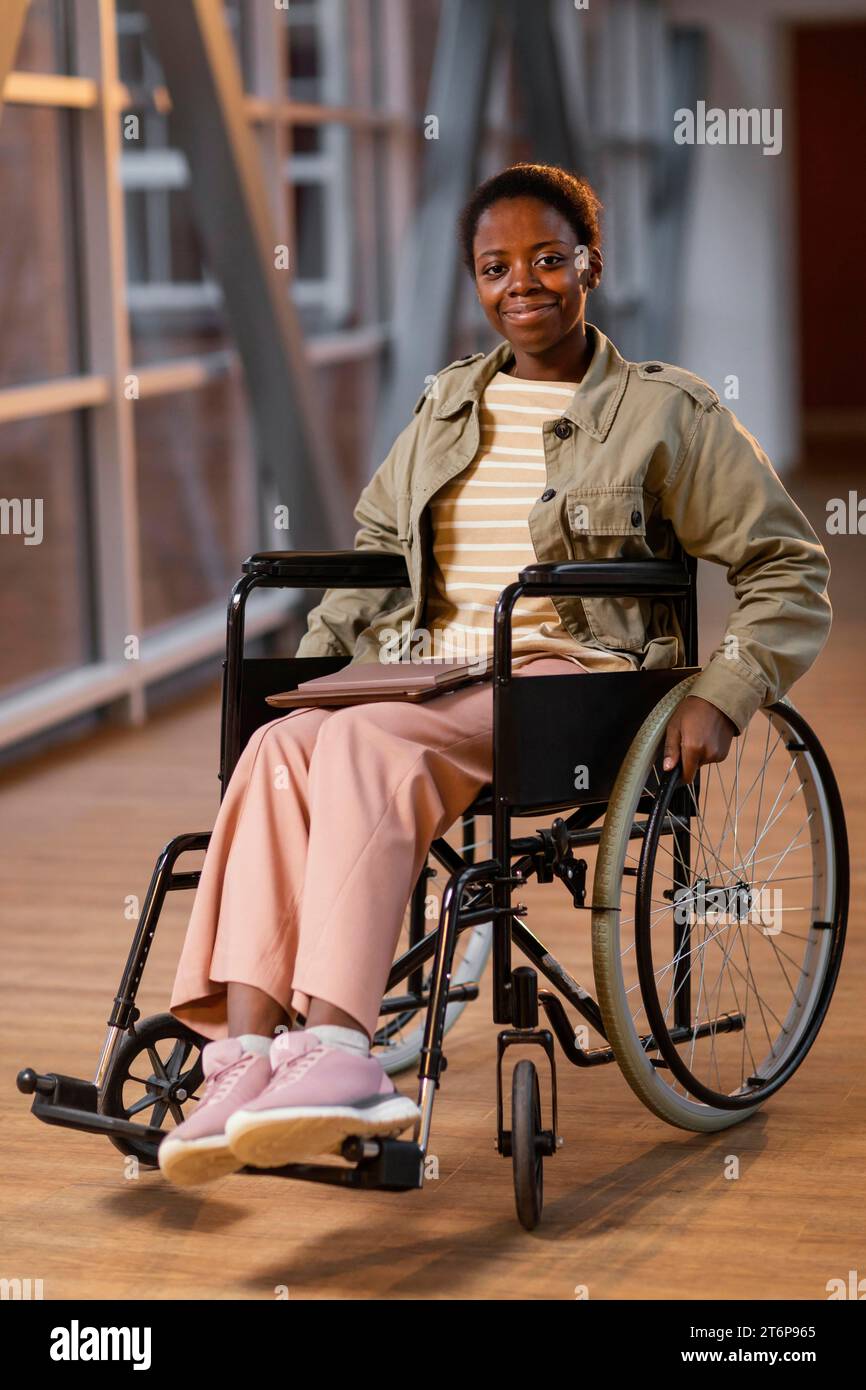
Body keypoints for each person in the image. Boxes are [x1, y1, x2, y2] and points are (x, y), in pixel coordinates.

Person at [159, 163, 831, 1187]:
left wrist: (723, 689)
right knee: (284, 745)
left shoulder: (666, 413)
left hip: (566, 675)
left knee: (357, 743)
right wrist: (317, 672)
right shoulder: (444, 406)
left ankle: (339, 1048)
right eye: (495, 266)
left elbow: (788, 567)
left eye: (547, 259)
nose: (522, 282)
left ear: (589, 265)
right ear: (474, 282)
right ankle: (245, 1057)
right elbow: (380, 547)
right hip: (428, 668)